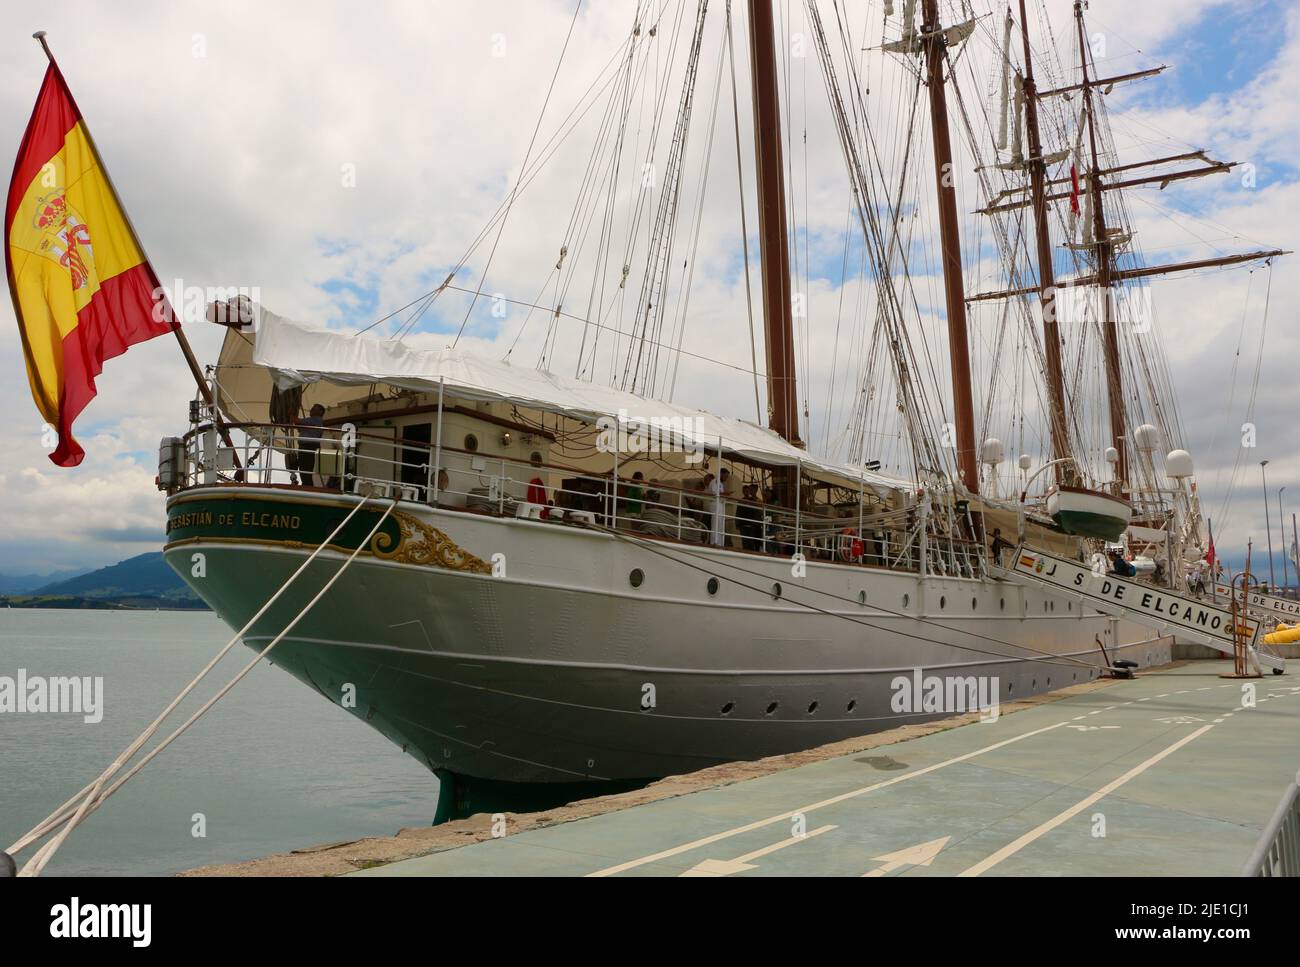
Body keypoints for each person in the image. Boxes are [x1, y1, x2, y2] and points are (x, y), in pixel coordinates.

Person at [296, 403, 325, 487]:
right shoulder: (311, 421)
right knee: (304, 468)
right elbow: (299, 427)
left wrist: (291, 413)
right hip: (306, 447)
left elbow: (297, 421)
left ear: (320, 412)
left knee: (305, 468)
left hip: (309, 446)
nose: (311, 409)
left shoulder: (316, 420)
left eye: (314, 408)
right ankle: (306, 485)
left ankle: (307, 486)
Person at [736, 483, 763, 551]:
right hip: (744, 524)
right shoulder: (741, 501)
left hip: (753, 525)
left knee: (753, 542)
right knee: (745, 542)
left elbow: (758, 512)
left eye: (748, 491)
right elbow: (738, 513)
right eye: (745, 491)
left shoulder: (754, 501)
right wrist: (737, 523)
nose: (747, 492)